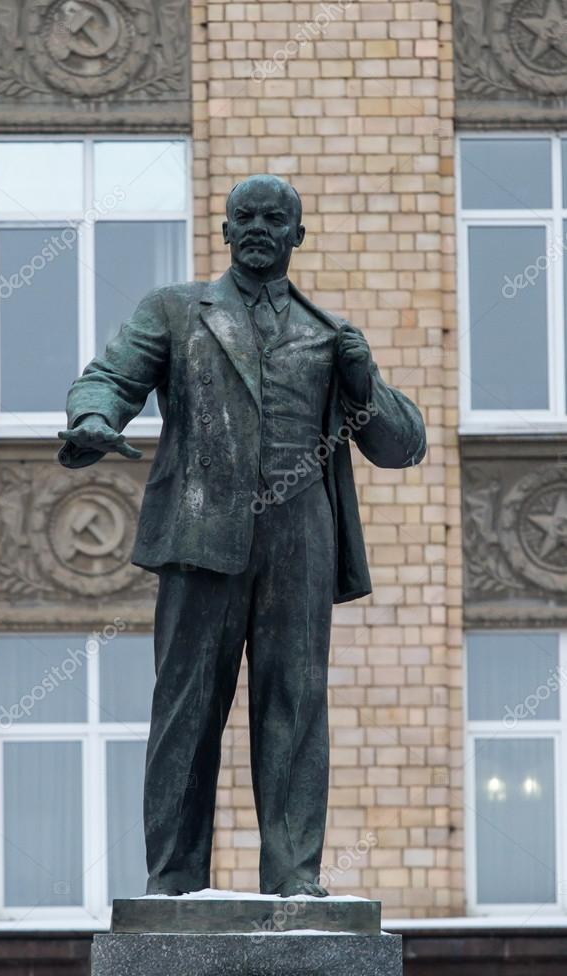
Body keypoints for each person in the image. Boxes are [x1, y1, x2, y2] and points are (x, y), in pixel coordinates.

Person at [58, 174, 426, 898]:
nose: (257, 227)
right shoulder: (175, 310)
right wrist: (94, 418)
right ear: (224, 231)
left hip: (301, 541)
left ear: (297, 234)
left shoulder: (329, 336)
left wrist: (365, 381)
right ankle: (171, 880)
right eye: (244, 216)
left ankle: (294, 879)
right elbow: (110, 375)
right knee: (186, 708)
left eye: (274, 217)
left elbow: (400, 445)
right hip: (201, 533)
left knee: (295, 704)